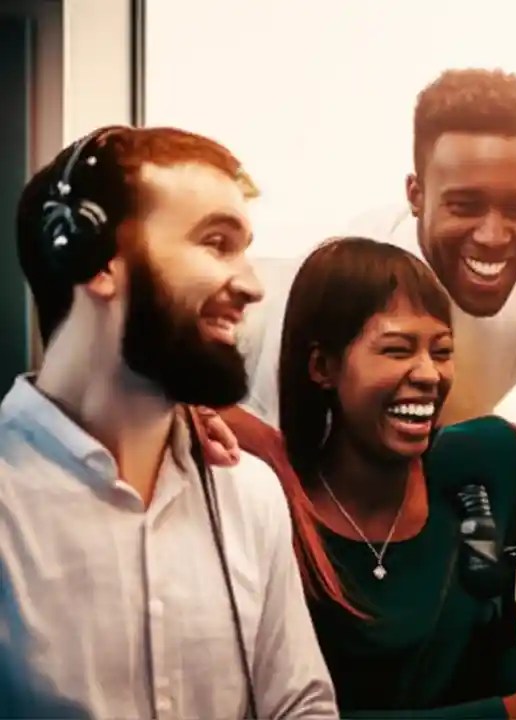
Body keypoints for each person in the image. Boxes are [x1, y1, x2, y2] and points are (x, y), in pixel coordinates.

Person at [0, 126, 336, 717]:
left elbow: (300, 705)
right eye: (216, 243)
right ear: (95, 259)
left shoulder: (247, 493)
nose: (252, 285)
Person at [216, 236, 516, 718]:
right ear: (323, 366)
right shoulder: (268, 507)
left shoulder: (486, 459)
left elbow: (497, 659)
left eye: (442, 350)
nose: (429, 374)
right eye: (396, 350)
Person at [239, 68, 516, 430]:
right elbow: (264, 428)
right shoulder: (336, 282)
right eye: (464, 206)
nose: (492, 237)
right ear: (416, 196)